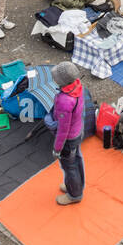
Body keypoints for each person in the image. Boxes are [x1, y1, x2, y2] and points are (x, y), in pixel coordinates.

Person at [49, 61, 87, 205]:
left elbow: (62, 130)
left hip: (68, 139)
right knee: (77, 160)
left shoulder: (65, 101)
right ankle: (76, 185)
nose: (54, 80)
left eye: (56, 78)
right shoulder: (77, 85)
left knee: (69, 166)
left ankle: (74, 194)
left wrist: (57, 148)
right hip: (78, 132)